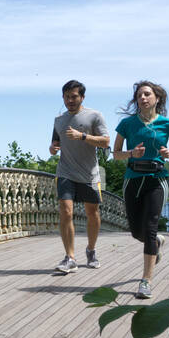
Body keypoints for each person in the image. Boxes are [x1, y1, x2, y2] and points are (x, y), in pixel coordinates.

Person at [112, 81, 169, 298]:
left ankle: (146, 281)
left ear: (157, 98)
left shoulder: (168, 124)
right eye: (139, 96)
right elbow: (116, 153)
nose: (143, 98)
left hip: (156, 179)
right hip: (133, 178)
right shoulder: (127, 124)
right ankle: (156, 243)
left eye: (147, 94)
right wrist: (130, 154)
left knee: (151, 226)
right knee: (137, 231)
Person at [49, 80, 110, 273]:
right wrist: (52, 148)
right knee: (66, 211)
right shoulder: (59, 120)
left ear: (82, 97)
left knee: (93, 213)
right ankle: (70, 257)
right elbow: (54, 144)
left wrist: (83, 136)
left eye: (74, 96)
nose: (70, 100)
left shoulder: (94, 116)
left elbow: (106, 141)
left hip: (89, 174)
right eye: (67, 97)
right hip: (65, 172)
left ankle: (91, 250)